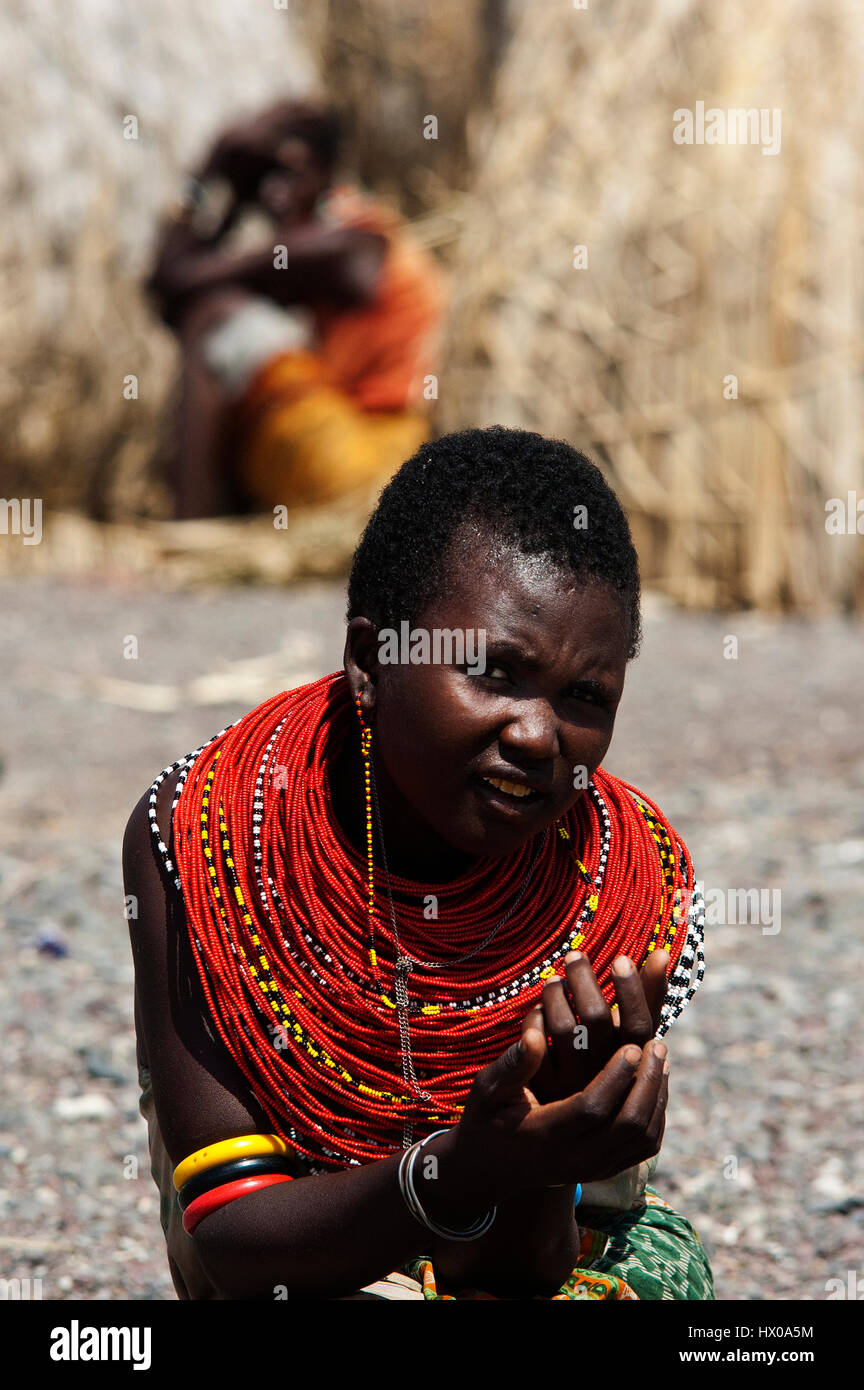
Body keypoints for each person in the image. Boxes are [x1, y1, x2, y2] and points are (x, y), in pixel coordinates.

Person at [123, 426, 712, 1300]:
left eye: (585, 697)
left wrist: (533, 1165)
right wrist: (457, 1169)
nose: (538, 735)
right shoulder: (207, 836)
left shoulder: (625, 893)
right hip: (298, 1259)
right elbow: (233, 1240)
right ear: (371, 661)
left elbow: (526, 1274)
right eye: (492, 672)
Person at [147, 100, 444, 519]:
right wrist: (231, 192)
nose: (273, 193)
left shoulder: (350, 241)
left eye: (288, 172)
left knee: (213, 316)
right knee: (224, 328)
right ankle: (206, 523)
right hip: (357, 458)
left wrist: (212, 171)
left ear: (327, 172)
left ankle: (188, 525)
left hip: (371, 462)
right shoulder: (321, 247)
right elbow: (169, 297)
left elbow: (175, 282)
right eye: (261, 178)